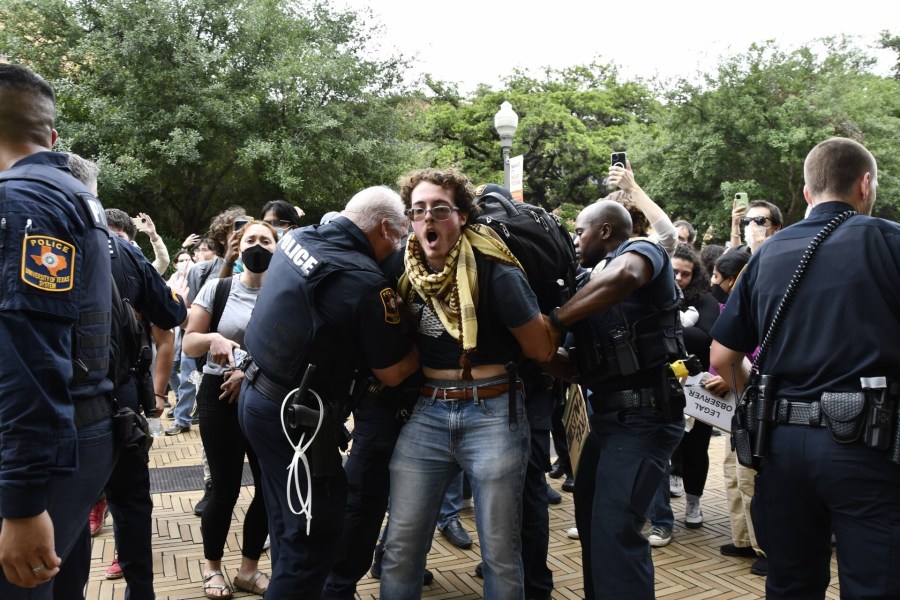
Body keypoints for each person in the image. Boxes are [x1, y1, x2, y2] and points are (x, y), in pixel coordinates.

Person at [711, 137, 900, 599]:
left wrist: (761, 398)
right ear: (865, 184)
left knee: (791, 585)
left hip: (780, 445)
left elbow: (721, 358)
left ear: (808, 191)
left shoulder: (766, 256)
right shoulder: (888, 240)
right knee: (876, 586)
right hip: (868, 446)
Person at [379, 168, 556, 599]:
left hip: (493, 411)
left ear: (462, 217)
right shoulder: (403, 270)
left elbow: (540, 349)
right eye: (418, 211)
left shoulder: (497, 272)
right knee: (401, 546)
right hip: (428, 410)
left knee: (499, 550)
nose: (427, 219)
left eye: (439, 209)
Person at [240, 186, 419, 598]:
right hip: (294, 419)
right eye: (400, 235)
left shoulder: (297, 239)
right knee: (312, 540)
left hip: (257, 397)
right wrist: (427, 344)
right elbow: (392, 373)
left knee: (288, 528)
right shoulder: (363, 281)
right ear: (387, 227)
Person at [0, 64, 117, 597]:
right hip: (78, 432)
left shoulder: (21, 201)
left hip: (48, 449)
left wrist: (22, 504)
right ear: (50, 137)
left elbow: (30, 354)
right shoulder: (70, 193)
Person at [547, 200, 686, 599]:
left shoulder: (643, 252)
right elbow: (571, 366)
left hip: (645, 417)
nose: (576, 240)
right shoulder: (585, 284)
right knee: (591, 524)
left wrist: (556, 320)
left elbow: (626, 276)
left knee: (615, 531)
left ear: (605, 231)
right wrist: (533, 345)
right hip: (603, 420)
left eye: (580, 231)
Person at [184, 220, 277, 598]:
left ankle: (249, 569)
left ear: (278, 247)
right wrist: (213, 337)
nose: (258, 246)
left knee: (269, 488)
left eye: (266, 240)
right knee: (224, 488)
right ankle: (213, 568)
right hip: (218, 395)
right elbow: (190, 343)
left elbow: (296, 349)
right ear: (237, 248)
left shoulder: (287, 293)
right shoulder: (219, 288)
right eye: (250, 239)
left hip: (267, 396)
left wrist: (249, 370)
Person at [646, 243, 720, 546]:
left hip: (698, 386)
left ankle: (693, 501)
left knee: (696, 446)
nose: (677, 277)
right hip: (663, 383)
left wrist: (667, 326)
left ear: (695, 276)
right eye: (673, 272)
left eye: (685, 274)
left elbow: (706, 335)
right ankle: (662, 510)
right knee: (664, 448)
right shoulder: (653, 295)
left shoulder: (704, 300)